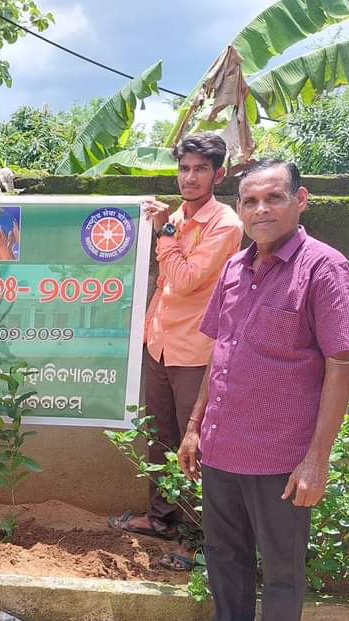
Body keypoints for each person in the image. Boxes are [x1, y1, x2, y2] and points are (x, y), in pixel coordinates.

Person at [171, 159, 349, 621]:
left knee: (281, 568)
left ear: (299, 199)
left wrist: (316, 459)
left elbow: (341, 363)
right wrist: (193, 427)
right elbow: (219, 352)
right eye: (250, 201)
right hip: (224, 444)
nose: (260, 210)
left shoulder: (324, 270)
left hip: (281, 454)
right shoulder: (234, 269)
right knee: (224, 551)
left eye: (273, 198)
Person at [109, 133, 243, 571]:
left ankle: (198, 539)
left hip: (196, 352)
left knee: (196, 448)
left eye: (200, 169)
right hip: (161, 345)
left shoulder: (224, 224)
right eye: (184, 168)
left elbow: (185, 280)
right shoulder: (178, 217)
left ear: (218, 174)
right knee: (160, 438)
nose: (189, 177)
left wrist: (164, 232)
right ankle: (163, 519)